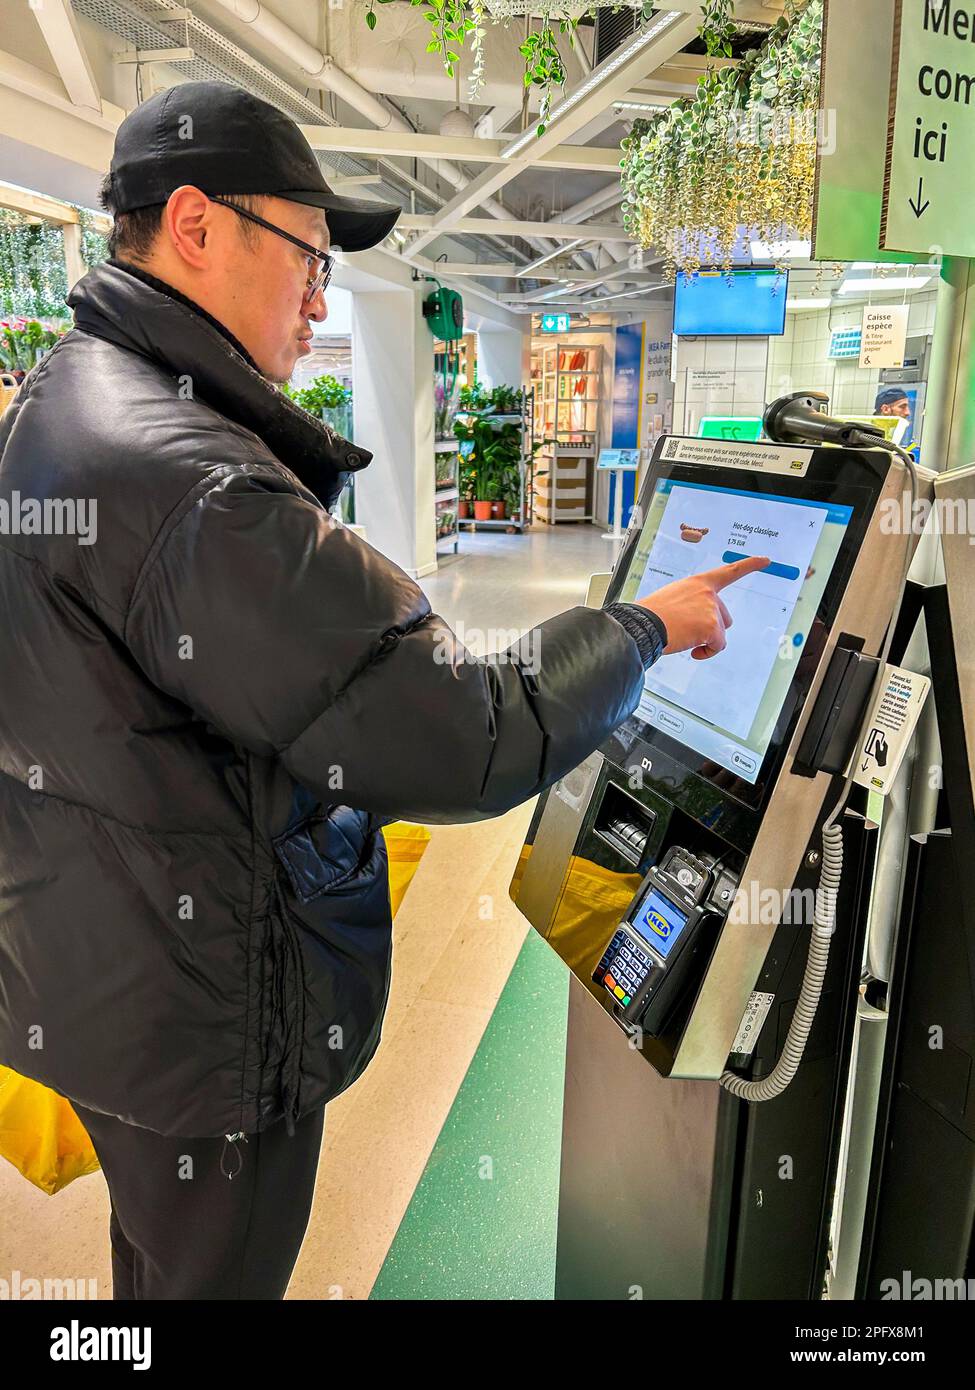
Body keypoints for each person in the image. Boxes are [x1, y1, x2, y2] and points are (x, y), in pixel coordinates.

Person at [0, 82, 767, 1300]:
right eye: (307, 253)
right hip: (203, 1016)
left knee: (151, 1273)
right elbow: (464, 732)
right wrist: (643, 626)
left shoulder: (69, 396)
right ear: (194, 225)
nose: (319, 296)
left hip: (111, 974)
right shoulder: (192, 479)